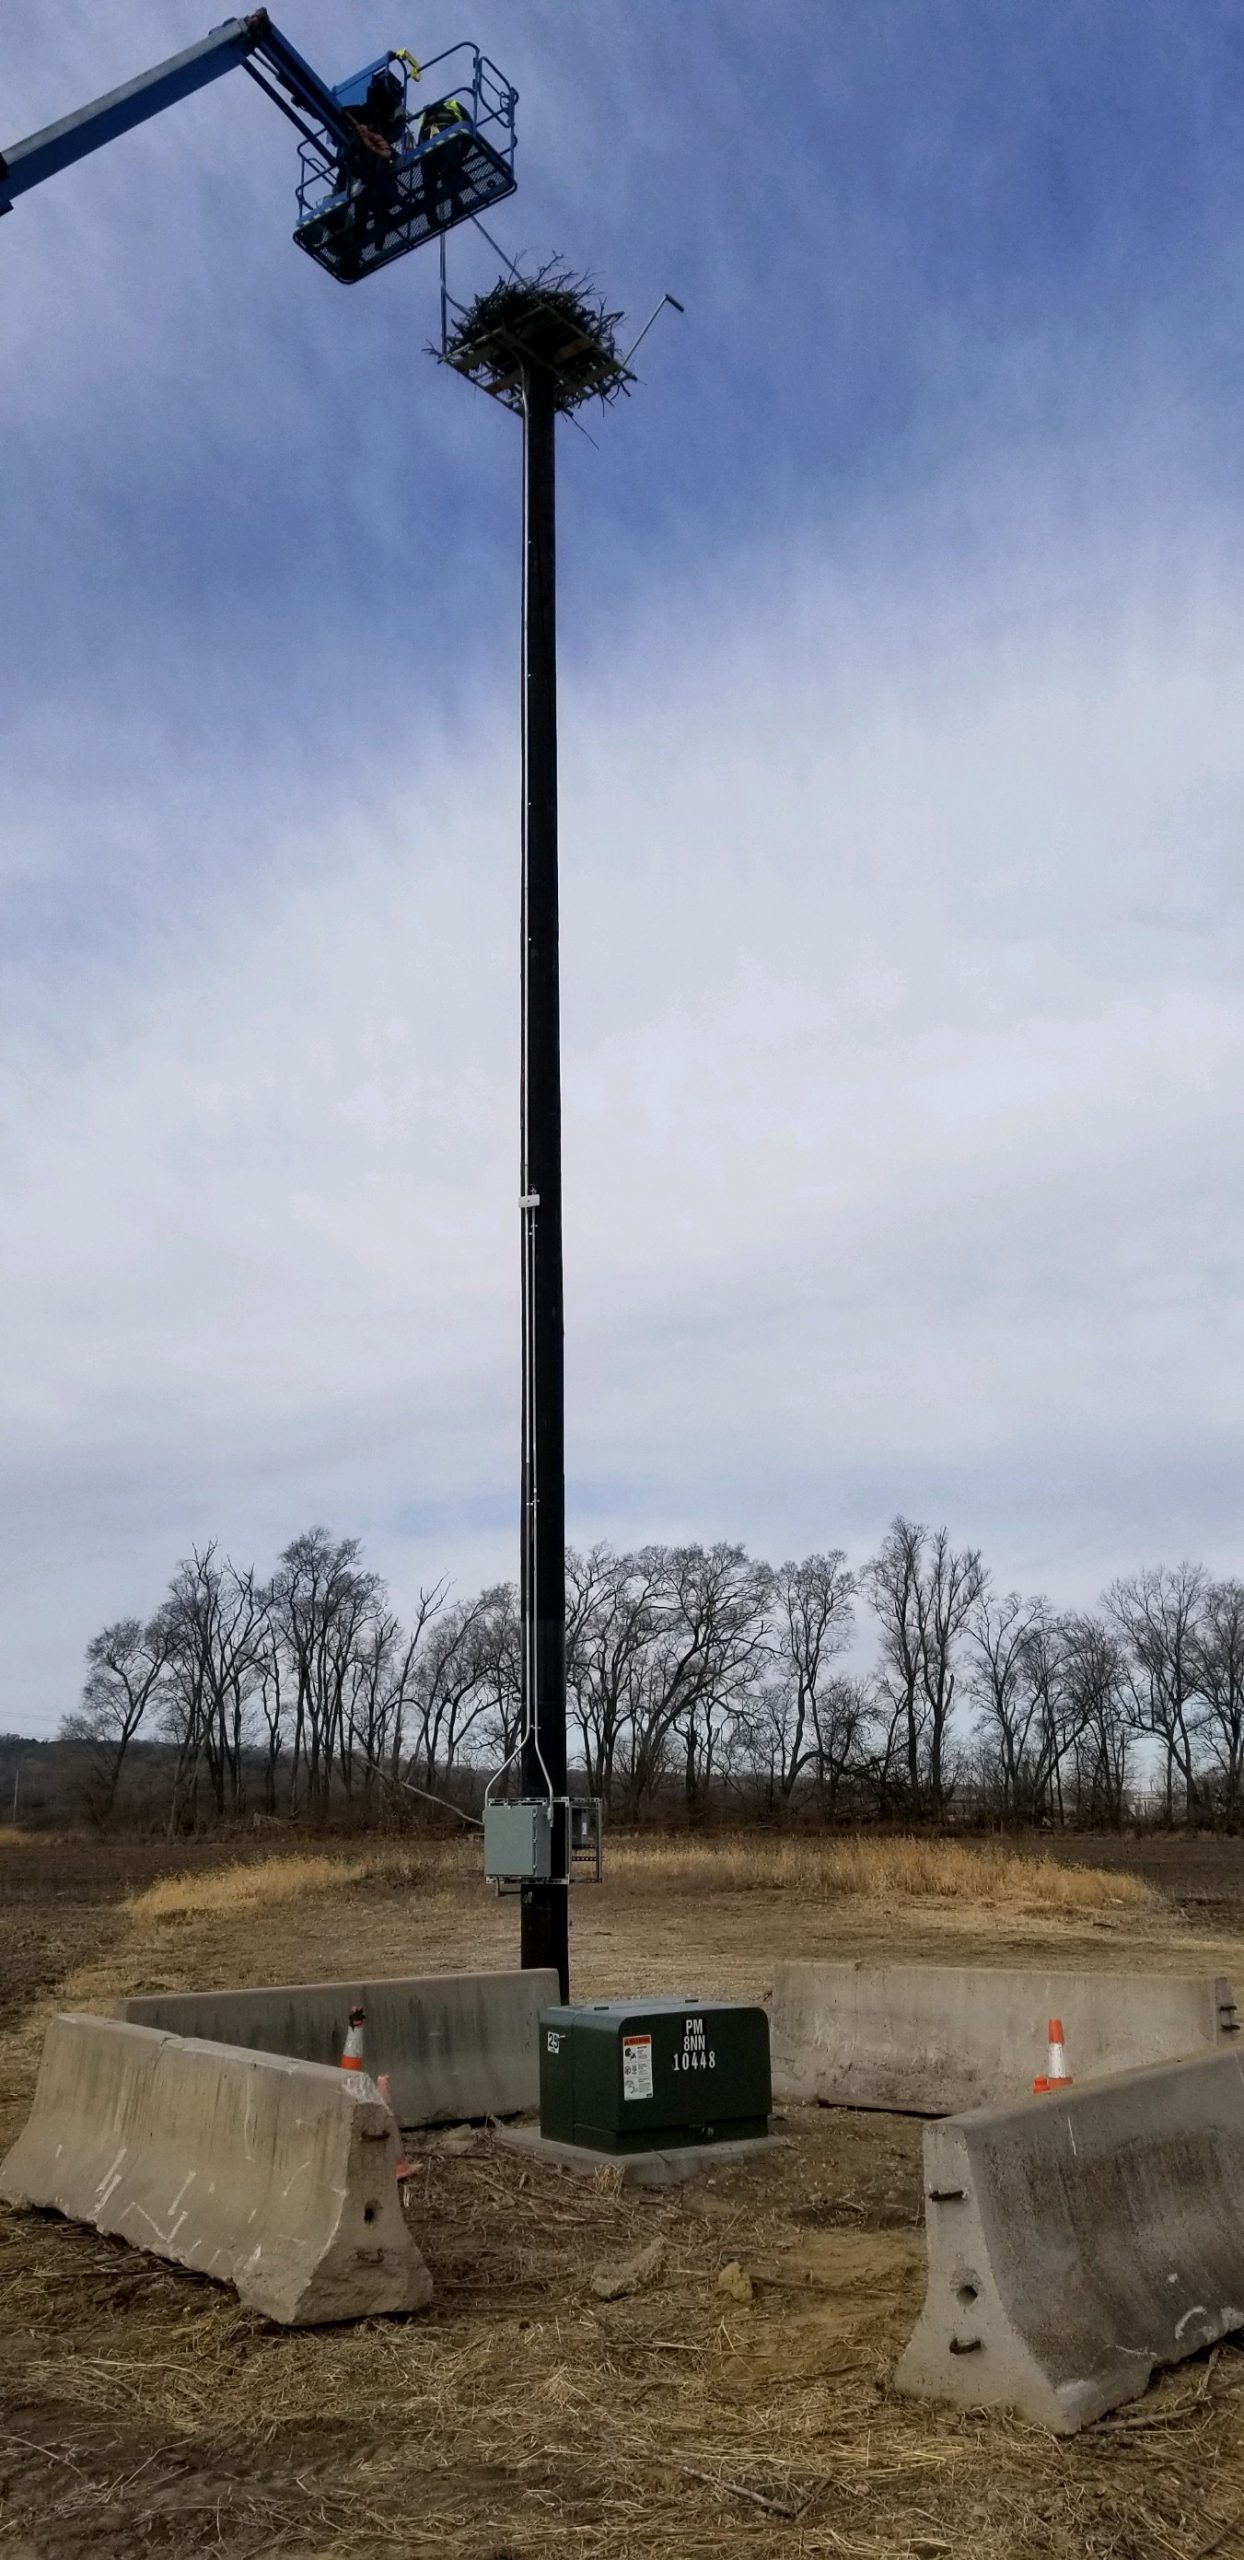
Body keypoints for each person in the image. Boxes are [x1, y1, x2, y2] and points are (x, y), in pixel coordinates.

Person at [416, 93, 472, 228]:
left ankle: (448, 208)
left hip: (444, 140)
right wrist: (462, 153)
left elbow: (467, 125)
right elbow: (468, 126)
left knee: (437, 178)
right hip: (436, 143)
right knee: (437, 178)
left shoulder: (451, 105)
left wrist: (461, 153)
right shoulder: (428, 114)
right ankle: (443, 211)